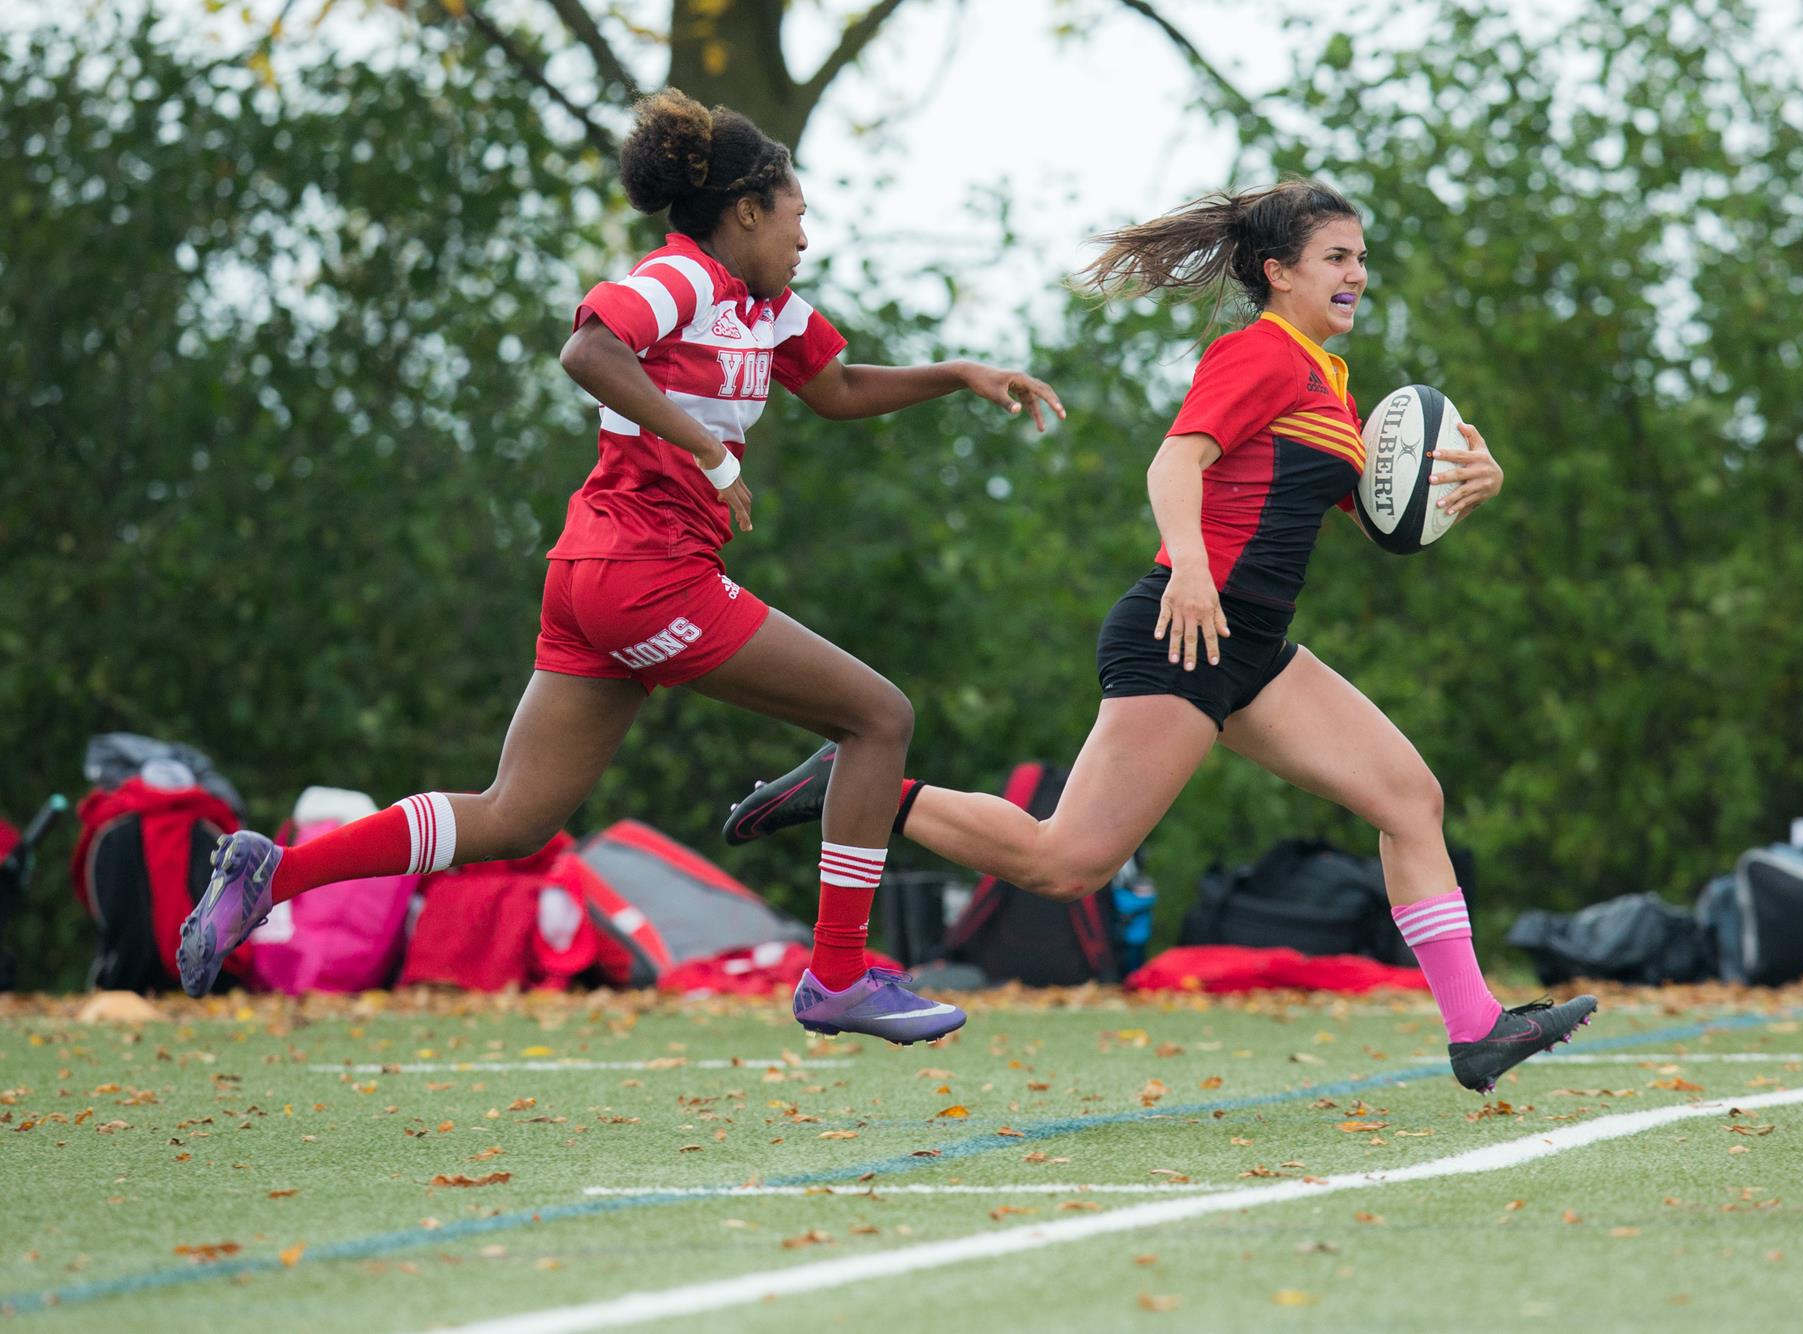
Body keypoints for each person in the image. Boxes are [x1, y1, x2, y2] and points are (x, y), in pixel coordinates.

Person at [177, 88, 1063, 1046]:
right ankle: (839, 974)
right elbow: (589, 349)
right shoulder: (682, 276)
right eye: (798, 214)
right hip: (647, 573)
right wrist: (708, 450)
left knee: (514, 817)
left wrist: (958, 374)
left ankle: (279, 873)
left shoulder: (764, 307)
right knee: (879, 718)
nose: (807, 236)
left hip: (596, 574)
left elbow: (838, 388)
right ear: (748, 210)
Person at [721, 180, 1596, 1092]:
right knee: (1064, 865)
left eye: (1362, 259)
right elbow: (1176, 460)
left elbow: (1376, 515)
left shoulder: (1329, 384)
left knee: (1411, 800)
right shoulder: (1258, 353)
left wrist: (1470, 482)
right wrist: (1190, 567)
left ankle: (1476, 1028)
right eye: (1337, 257)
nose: (1357, 275)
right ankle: (852, 786)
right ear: (1278, 272)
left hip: (1252, 647)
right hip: (1182, 631)